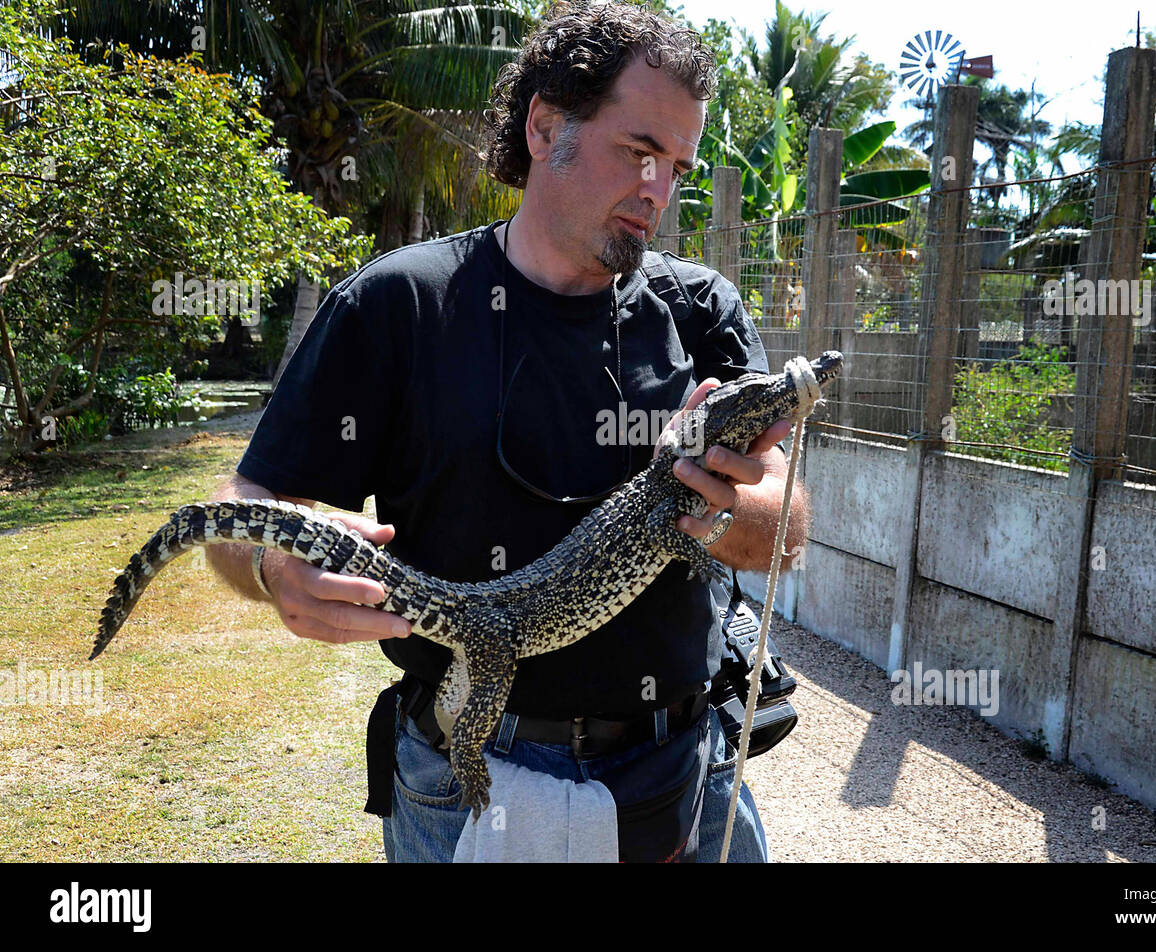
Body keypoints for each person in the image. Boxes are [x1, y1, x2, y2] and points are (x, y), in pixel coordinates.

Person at [207, 0, 808, 862]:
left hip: (686, 767)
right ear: (544, 127)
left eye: (678, 165)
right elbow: (246, 500)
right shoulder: (397, 303)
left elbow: (786, 517)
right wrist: (269, 567)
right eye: (638, 151)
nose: (658, 189)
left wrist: (722, 510)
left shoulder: (699, 305)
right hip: (463, 779)